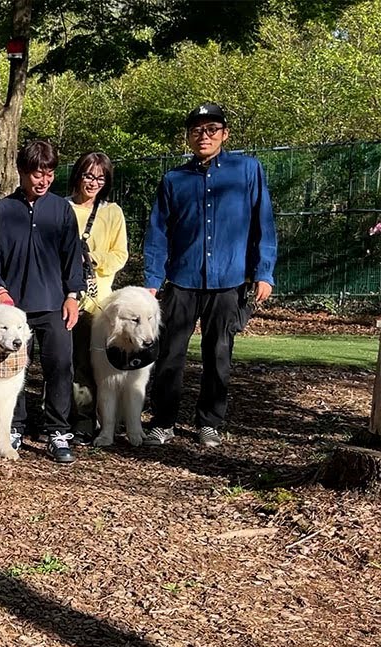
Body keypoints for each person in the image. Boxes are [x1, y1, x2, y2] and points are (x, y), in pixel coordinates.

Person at [143, 103, 278, 448]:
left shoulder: (247, 170)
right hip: (182, 281)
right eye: (197, 130)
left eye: (211, 129)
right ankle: (163, 421)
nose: (204, 136)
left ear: (224, 134)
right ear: (188, 136)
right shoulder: (174, 179)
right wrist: (152, 281)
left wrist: (264, 272)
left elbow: (264, 223)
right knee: (170, 354)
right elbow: (158, 233)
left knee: (218, 354)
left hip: (229, 281)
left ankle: (209, 422)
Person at [0, 139, 85, 463]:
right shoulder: (1, 211)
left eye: (50, 173)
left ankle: (57, 431)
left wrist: (72, 296)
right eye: (38, 173)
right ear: (22, 172)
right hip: (13, 311)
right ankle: (14, 426)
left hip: (53, 304)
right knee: (12, 370)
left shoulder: (61, 210)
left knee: (60, 367)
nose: (44, 180)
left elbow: (73, 257)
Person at [67, 152, 129, 441]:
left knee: (85, 363)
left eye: (100, 178)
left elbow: (120, 255)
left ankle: (83, 422)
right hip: (63, 296)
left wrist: (92, 258)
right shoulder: (61, 208)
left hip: (97, 300)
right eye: (89, 175)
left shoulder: (112, 212)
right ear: (78, 175)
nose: (93, 182)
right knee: (58, 361)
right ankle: (54, 418)